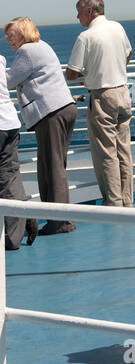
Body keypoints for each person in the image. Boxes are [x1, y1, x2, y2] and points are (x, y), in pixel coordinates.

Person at [5, 18, 78, 235]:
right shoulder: (42, 46)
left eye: (12, 34)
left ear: (24, 33)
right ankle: (59, 218)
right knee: (55, 165)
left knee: (51, 167)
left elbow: (8, 80)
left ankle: (60, 221)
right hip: (64, 107)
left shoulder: (26, 51)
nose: (8, 39)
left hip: (50, 112)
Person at [65, 0, 133, 208]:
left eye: (79, 11)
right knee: (123, 150)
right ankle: (127, 200)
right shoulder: (117, 28)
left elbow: (71, 73)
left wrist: (90, 74)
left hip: (103, 96)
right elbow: (128, 54)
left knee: (106, 152)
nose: (77, 16)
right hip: (123, 92)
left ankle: (113, 202)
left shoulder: (86, 37)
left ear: (89, 11)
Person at [0, 51, 38, 249]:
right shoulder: (0, 59)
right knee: (10, 177)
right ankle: (24, 218)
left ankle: (13, 237)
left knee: (6, 179)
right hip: (9, 122)